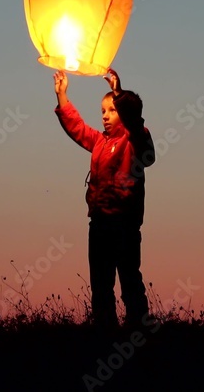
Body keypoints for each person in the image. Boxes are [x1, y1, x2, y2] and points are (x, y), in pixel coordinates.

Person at [53, 67, 156, 332]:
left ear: (127, 113)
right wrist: (62, 97)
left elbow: (139, 133)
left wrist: (118, 92)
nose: (105, 116)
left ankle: (139, 330)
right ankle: (104, 331)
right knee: (100, 284)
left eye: (112, 110)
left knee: (130, 280)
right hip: (98, 225)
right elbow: (77, 128)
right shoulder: (100, 142)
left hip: (124, 226)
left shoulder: (136, 141)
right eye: (103, 112)